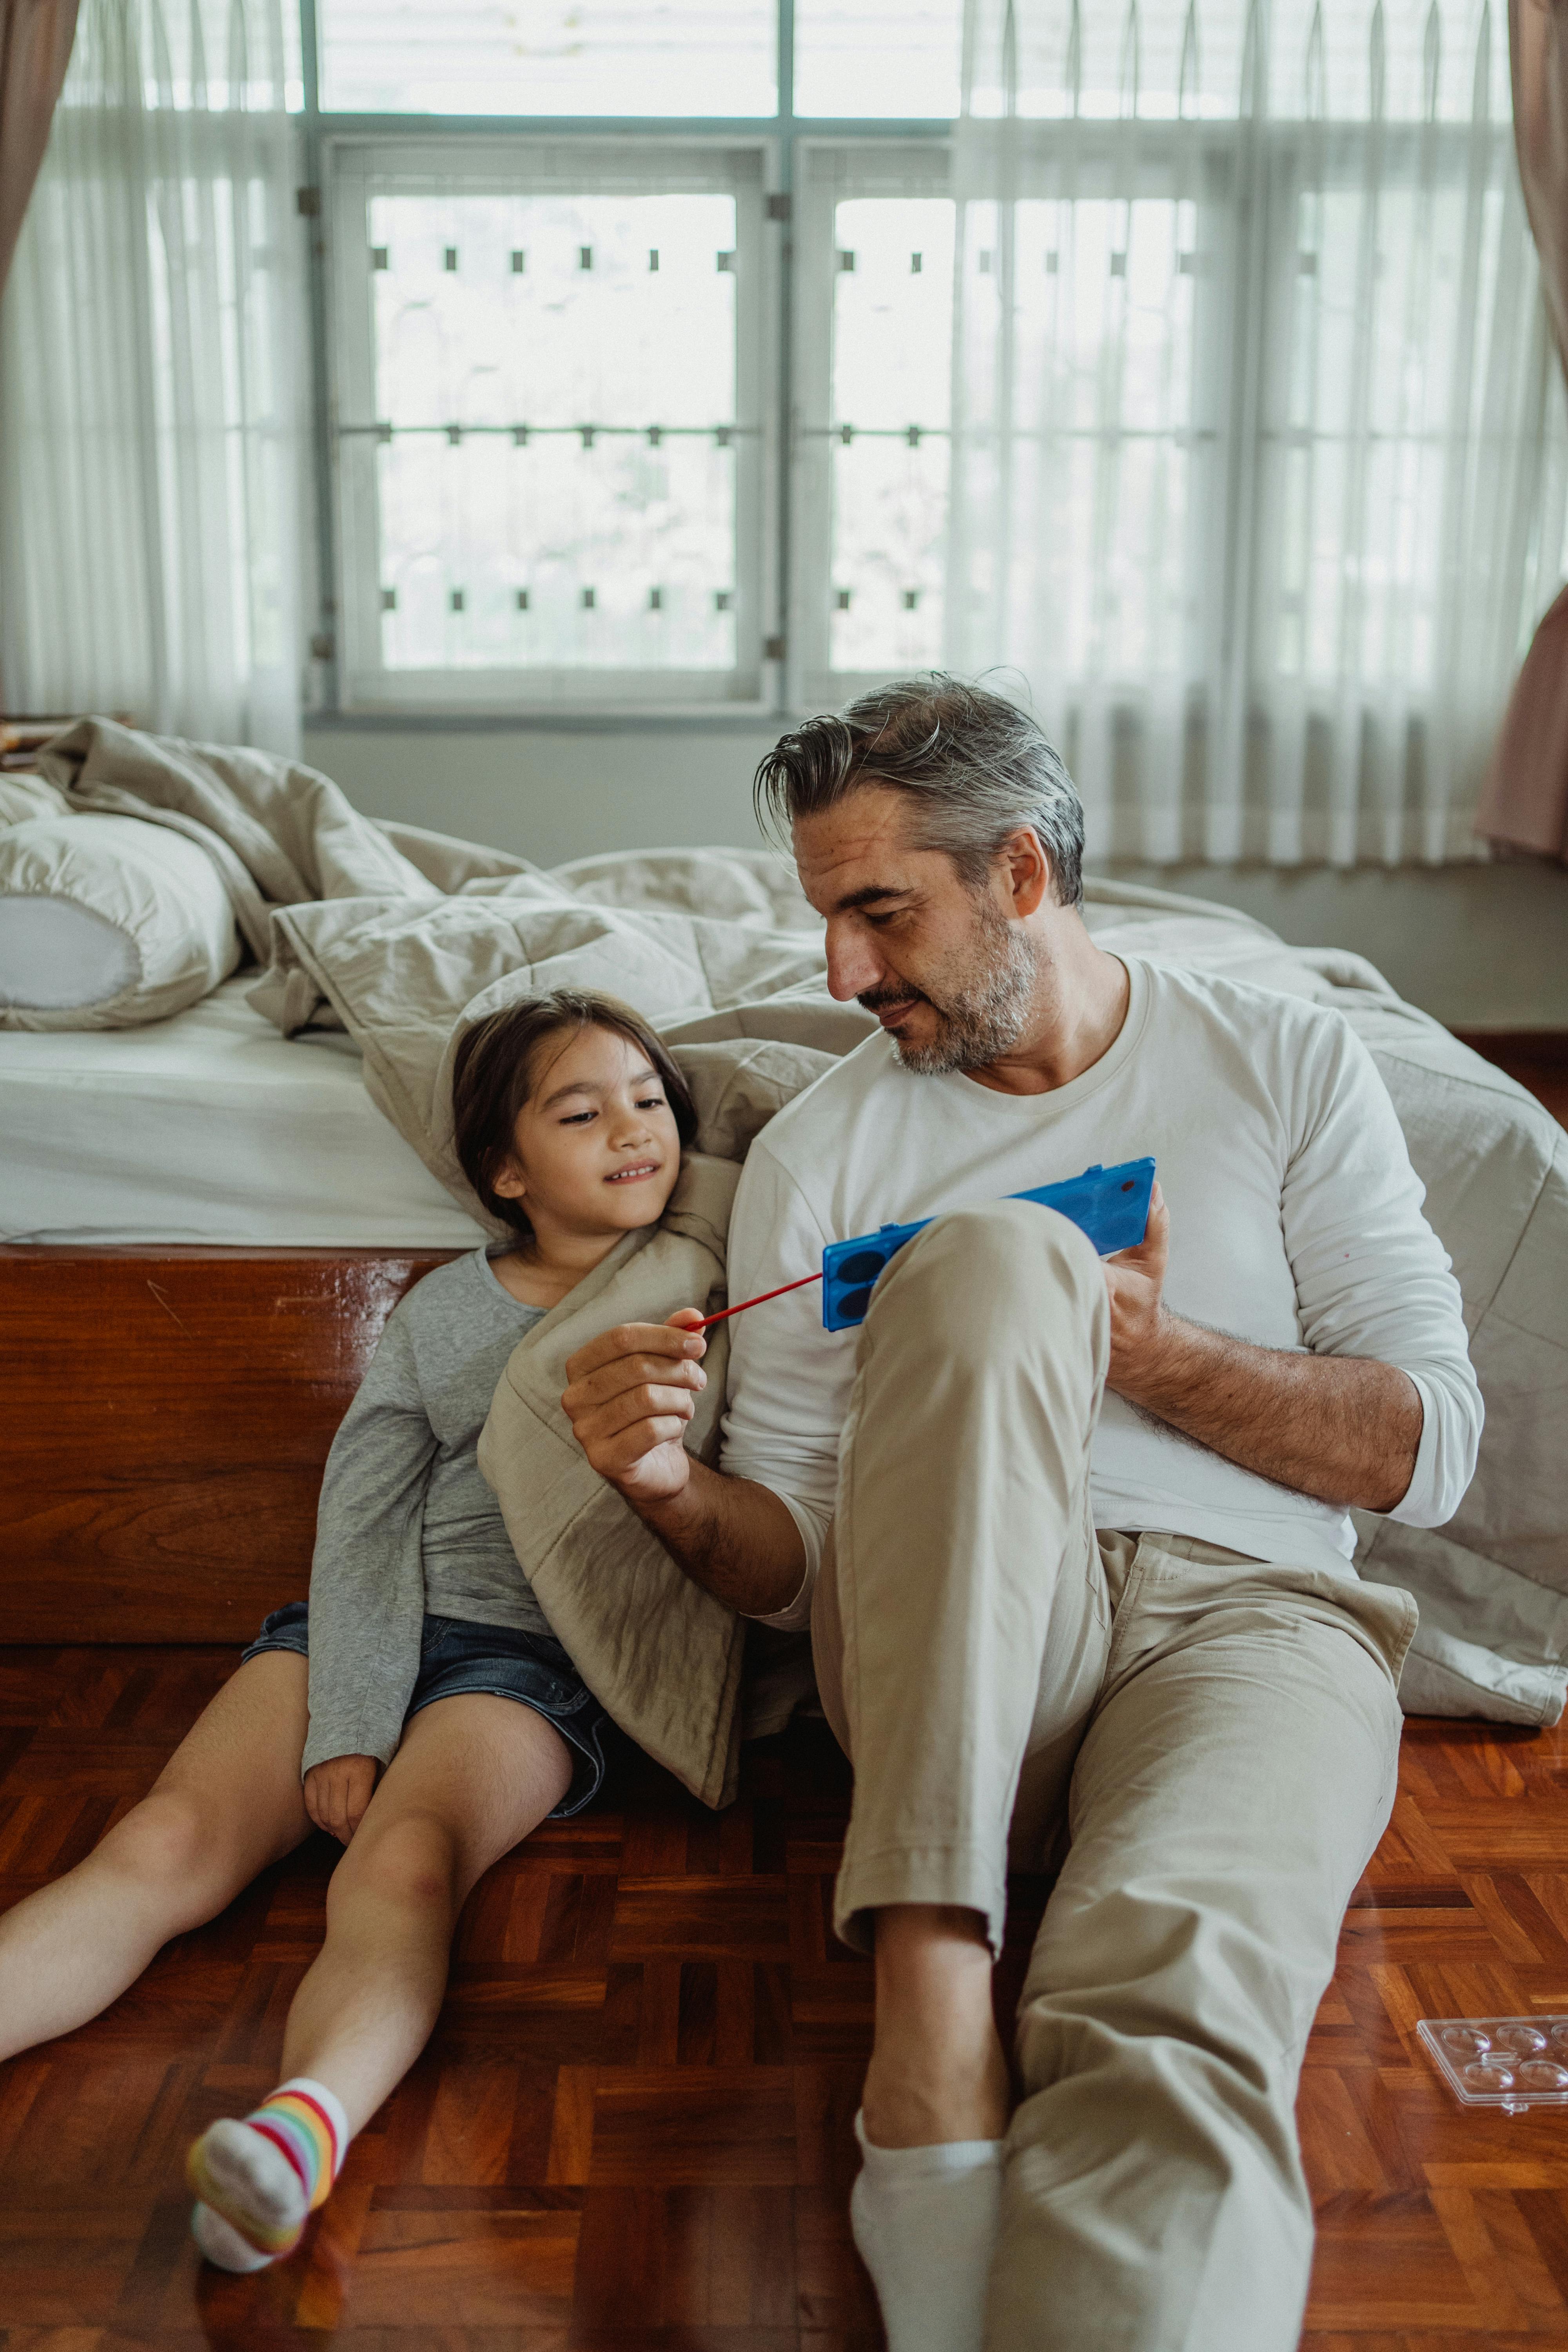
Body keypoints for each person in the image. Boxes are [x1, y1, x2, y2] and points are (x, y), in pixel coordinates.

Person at [557, 677, 1483, 2352]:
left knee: (1176, 2018)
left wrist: (1150, 1348)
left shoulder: (1279, 1058)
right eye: (822, 916)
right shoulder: (830, 1149)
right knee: (990, 1255)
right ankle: (927, 1987)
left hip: (1255, 1628)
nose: (839, 972)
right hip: (957, 1659)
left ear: (1025, 877)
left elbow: (1430, 1450)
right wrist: (672, 1495)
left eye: (878, 912)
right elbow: (797, 1582)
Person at [0, 989, 697, 2273]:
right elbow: (364, 1520)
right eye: (582, 1110)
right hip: (367, 1621)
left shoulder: (702, 1291)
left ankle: (297, 2137)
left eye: (652, 1098)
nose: (633, 1128)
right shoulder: (444, 1313)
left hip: (527, 1667)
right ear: (505, 1168)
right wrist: (350, 1717)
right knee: (160, 1839)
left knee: (405, 1866)